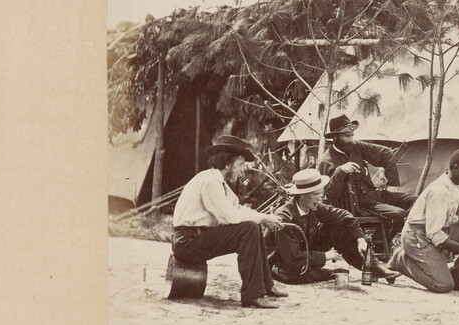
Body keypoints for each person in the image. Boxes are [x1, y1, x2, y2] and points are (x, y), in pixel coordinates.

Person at [170, 135, 288, 309]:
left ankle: (266, 286)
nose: (242, 170)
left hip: (194, 238)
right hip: (188, 242)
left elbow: (236, 208)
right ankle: (253, 295)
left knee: (252, 226)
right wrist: (262, 218)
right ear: (227, 163)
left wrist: (261, 217)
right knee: (249, 228)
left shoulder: (218, 181)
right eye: (240, 165)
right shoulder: (210, 181)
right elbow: (228, 217)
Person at [387, 149, 459, 293]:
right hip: (418, 237)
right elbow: (434, 234)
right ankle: (401, 260)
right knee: (443, 285)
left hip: (438, 231)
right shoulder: (440, 191)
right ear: (456, 168)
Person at [270, 168, 400, 285]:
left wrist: (360, 239)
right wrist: (326, 256)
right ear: (302, 195)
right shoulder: (285, 217)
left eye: (321, 193)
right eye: (316, 194)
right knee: (295, 274)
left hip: (305, 252)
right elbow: (292, 257)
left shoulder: (314, 207)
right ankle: (325, 273)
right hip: (284, 263)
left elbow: (345, 216)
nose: (320, 198)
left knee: (340, 226)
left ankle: (374, 267)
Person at [317, 114, 417, 244]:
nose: (351, 139)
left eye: (352, 135)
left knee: (415, 201)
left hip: (374, 195)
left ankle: (379, 240)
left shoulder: (356, 147)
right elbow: (331, 196)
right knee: (399, 214)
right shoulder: (327, 162)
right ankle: (379, 245)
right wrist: (340, 172)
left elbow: (386, 153)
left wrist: (392, 184)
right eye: (347, 136)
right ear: (335, 137)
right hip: (357, 205)